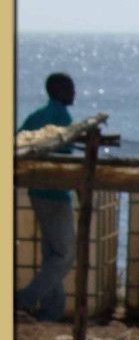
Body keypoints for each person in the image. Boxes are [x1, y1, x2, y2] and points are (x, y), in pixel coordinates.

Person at [17, 72, 79, 322]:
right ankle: (24, 299)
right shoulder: (61, 117)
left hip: (36, 191)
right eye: (70, 89)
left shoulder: (35, 117)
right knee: (65, 256)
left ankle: (51, 310)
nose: (74, 93)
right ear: (60, 91)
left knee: (51, 254)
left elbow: (18, 140)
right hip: (55, 193)